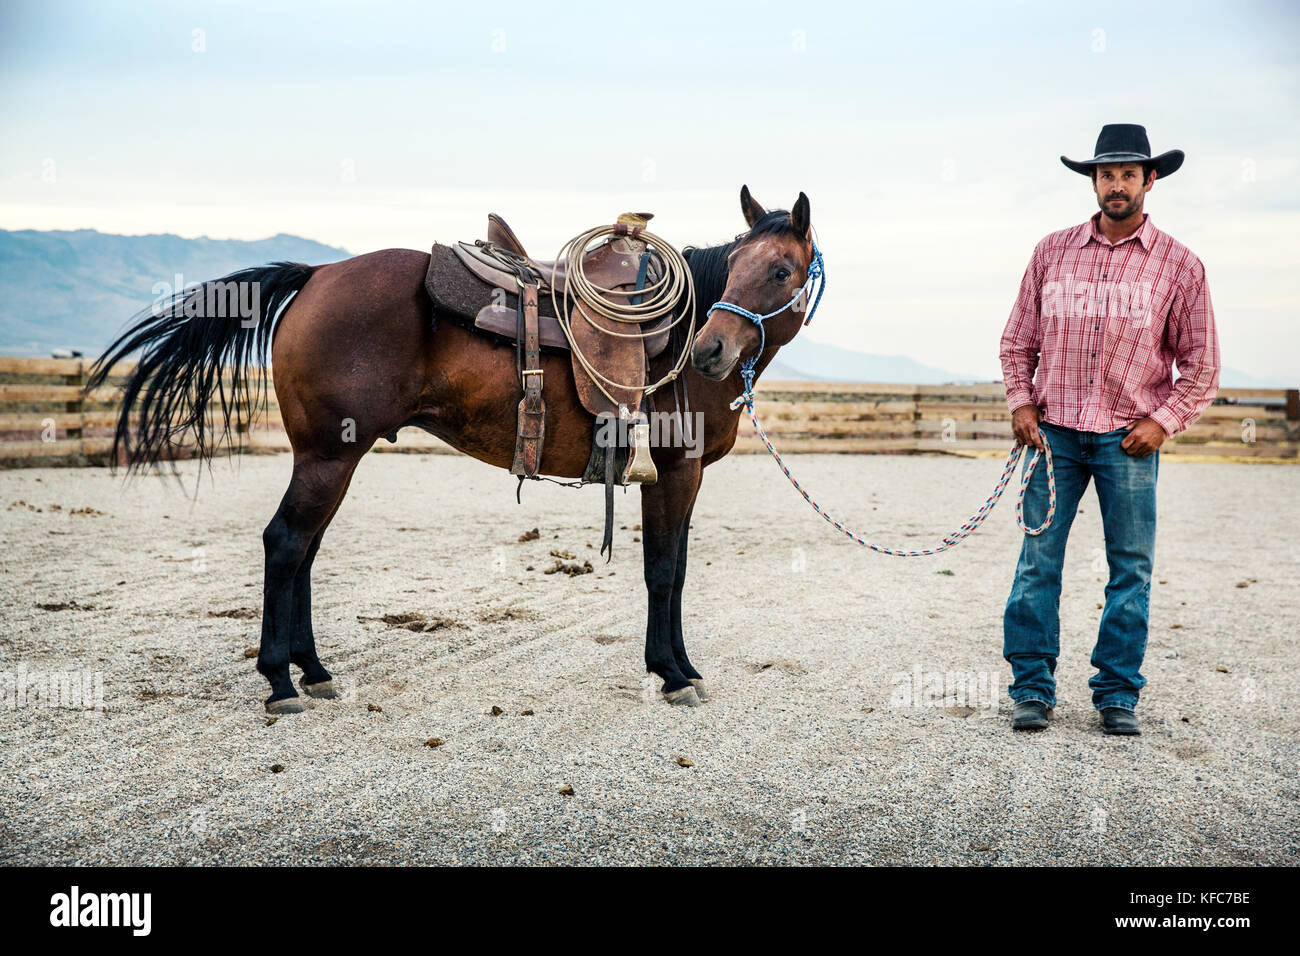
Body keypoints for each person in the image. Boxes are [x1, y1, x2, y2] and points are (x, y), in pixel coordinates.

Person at [998, 124, 1220, 735]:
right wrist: (1021, 403)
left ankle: (1117, 693)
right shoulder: (1052, 252)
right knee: (1039, 560)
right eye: (1106, 174)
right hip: (1053, 437)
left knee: (1130, 566)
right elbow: (1019, 339)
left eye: (1128, 174)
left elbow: (1200, 365)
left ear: (1150, 181)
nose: (1115, 184)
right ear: (1093, 181)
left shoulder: (1179, 266)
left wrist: (1164, 421)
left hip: (1128, 439)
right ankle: (1033, 689)